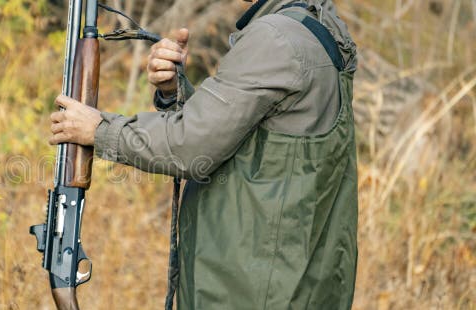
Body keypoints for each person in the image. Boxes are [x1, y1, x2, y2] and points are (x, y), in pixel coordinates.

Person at [49, 0, 359, 309]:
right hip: (294, 283)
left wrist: (100, 130)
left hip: (252, 290)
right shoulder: (316, 29)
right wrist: (175, 91)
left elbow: (192, 147)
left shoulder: (275, 38)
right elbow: (250, 146)